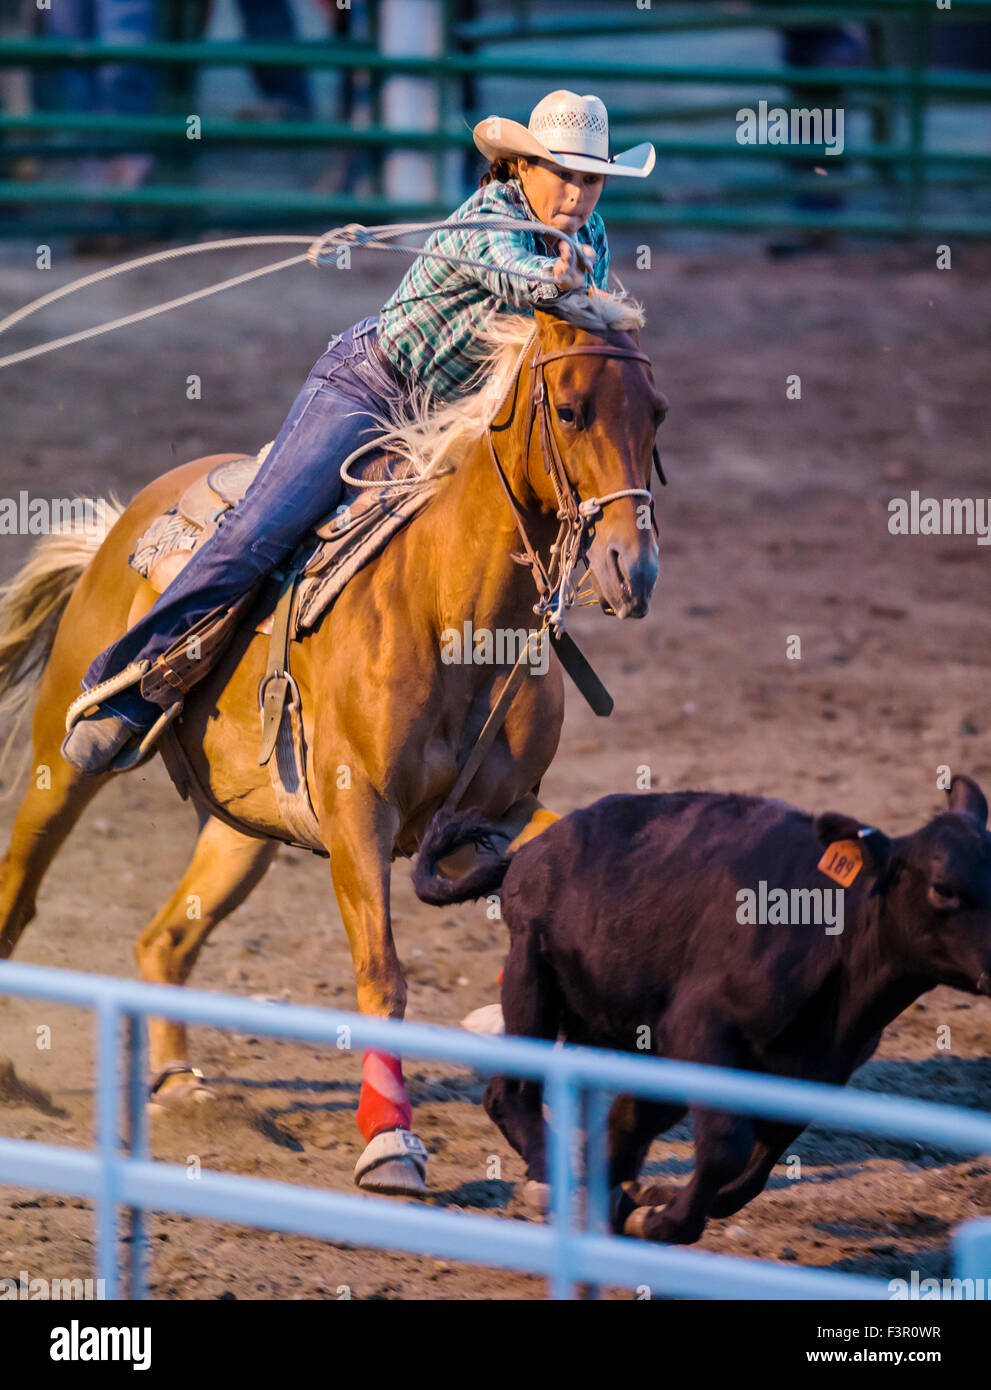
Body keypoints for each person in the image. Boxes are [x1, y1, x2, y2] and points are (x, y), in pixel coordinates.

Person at [62, 90, 656, 774]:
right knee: (262, 526)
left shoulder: (592, 237)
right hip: (372, 388)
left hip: (454, 413)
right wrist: (558, 282)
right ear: (521, 168)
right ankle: (126, 686)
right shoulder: (488, 219)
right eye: (563, 173)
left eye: (591, 178)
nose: (577, 192)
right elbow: (524, 278)